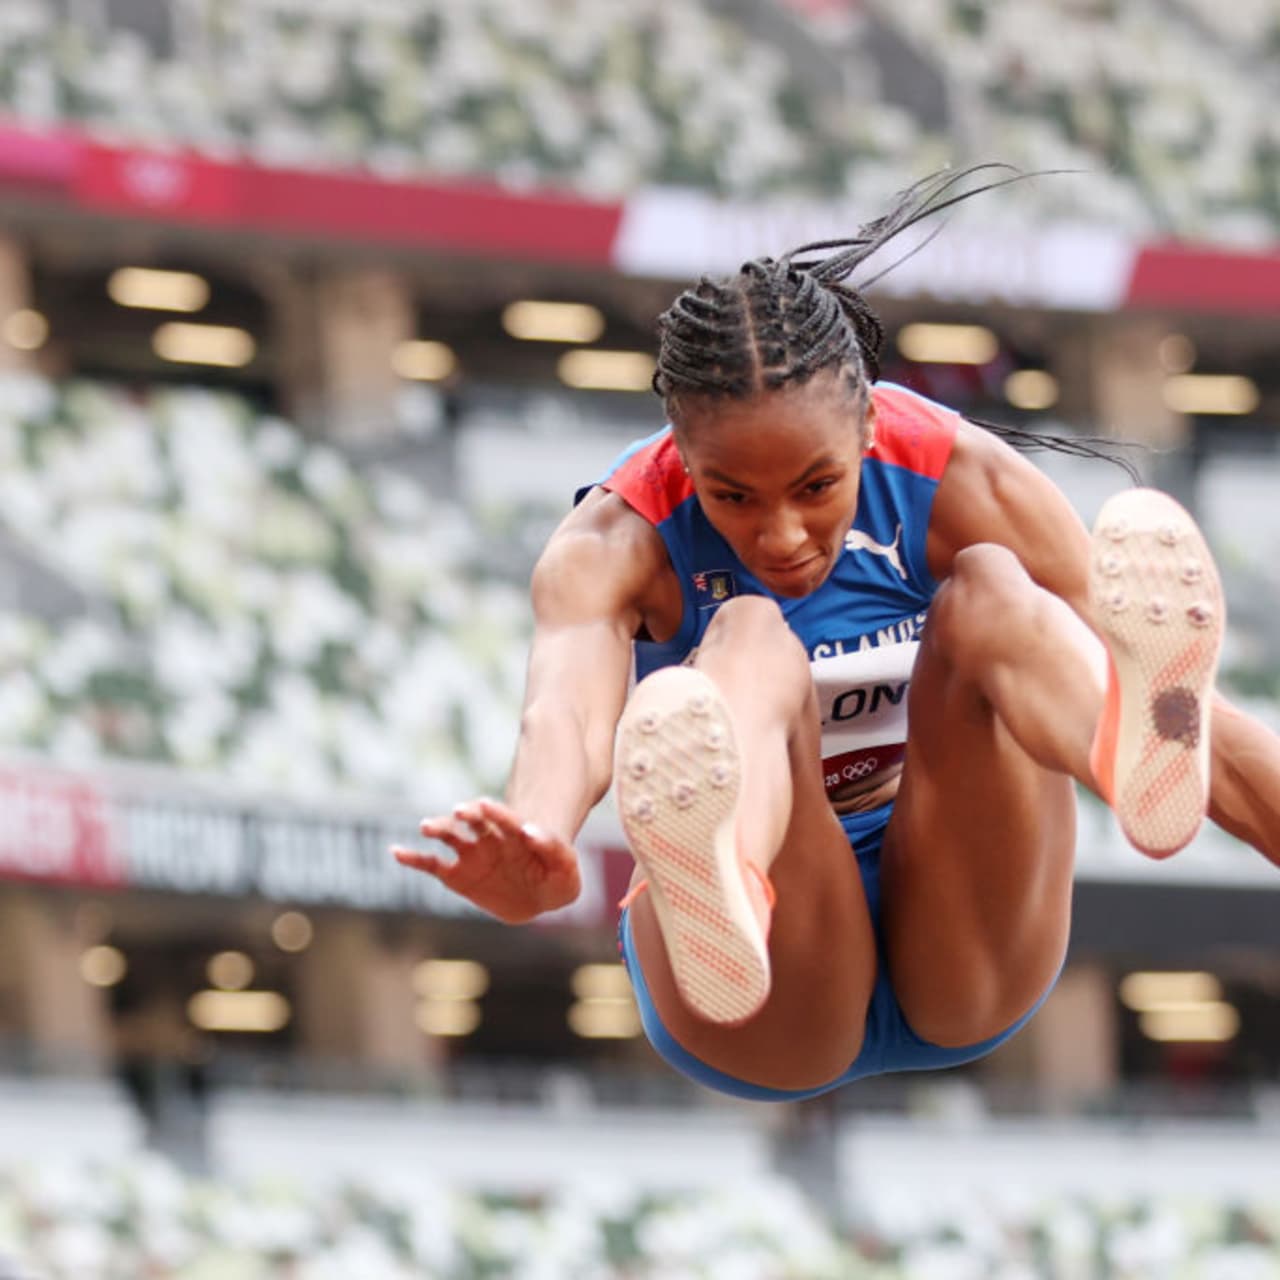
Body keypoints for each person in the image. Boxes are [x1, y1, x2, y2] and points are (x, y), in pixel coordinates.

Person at [393, 170, 1280, 1101]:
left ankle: (1122, 756)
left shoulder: (965, 481)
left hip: (964, 923)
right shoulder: (614, 543)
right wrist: (538, 840)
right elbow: (565, 719)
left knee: (993, 592)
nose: (780, 536)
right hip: (760, 988)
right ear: (682, 456)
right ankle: (721, 879)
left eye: (816, 487)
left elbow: (1206, 723)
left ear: (866, 427)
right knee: (744, 634)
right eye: (730, 496)